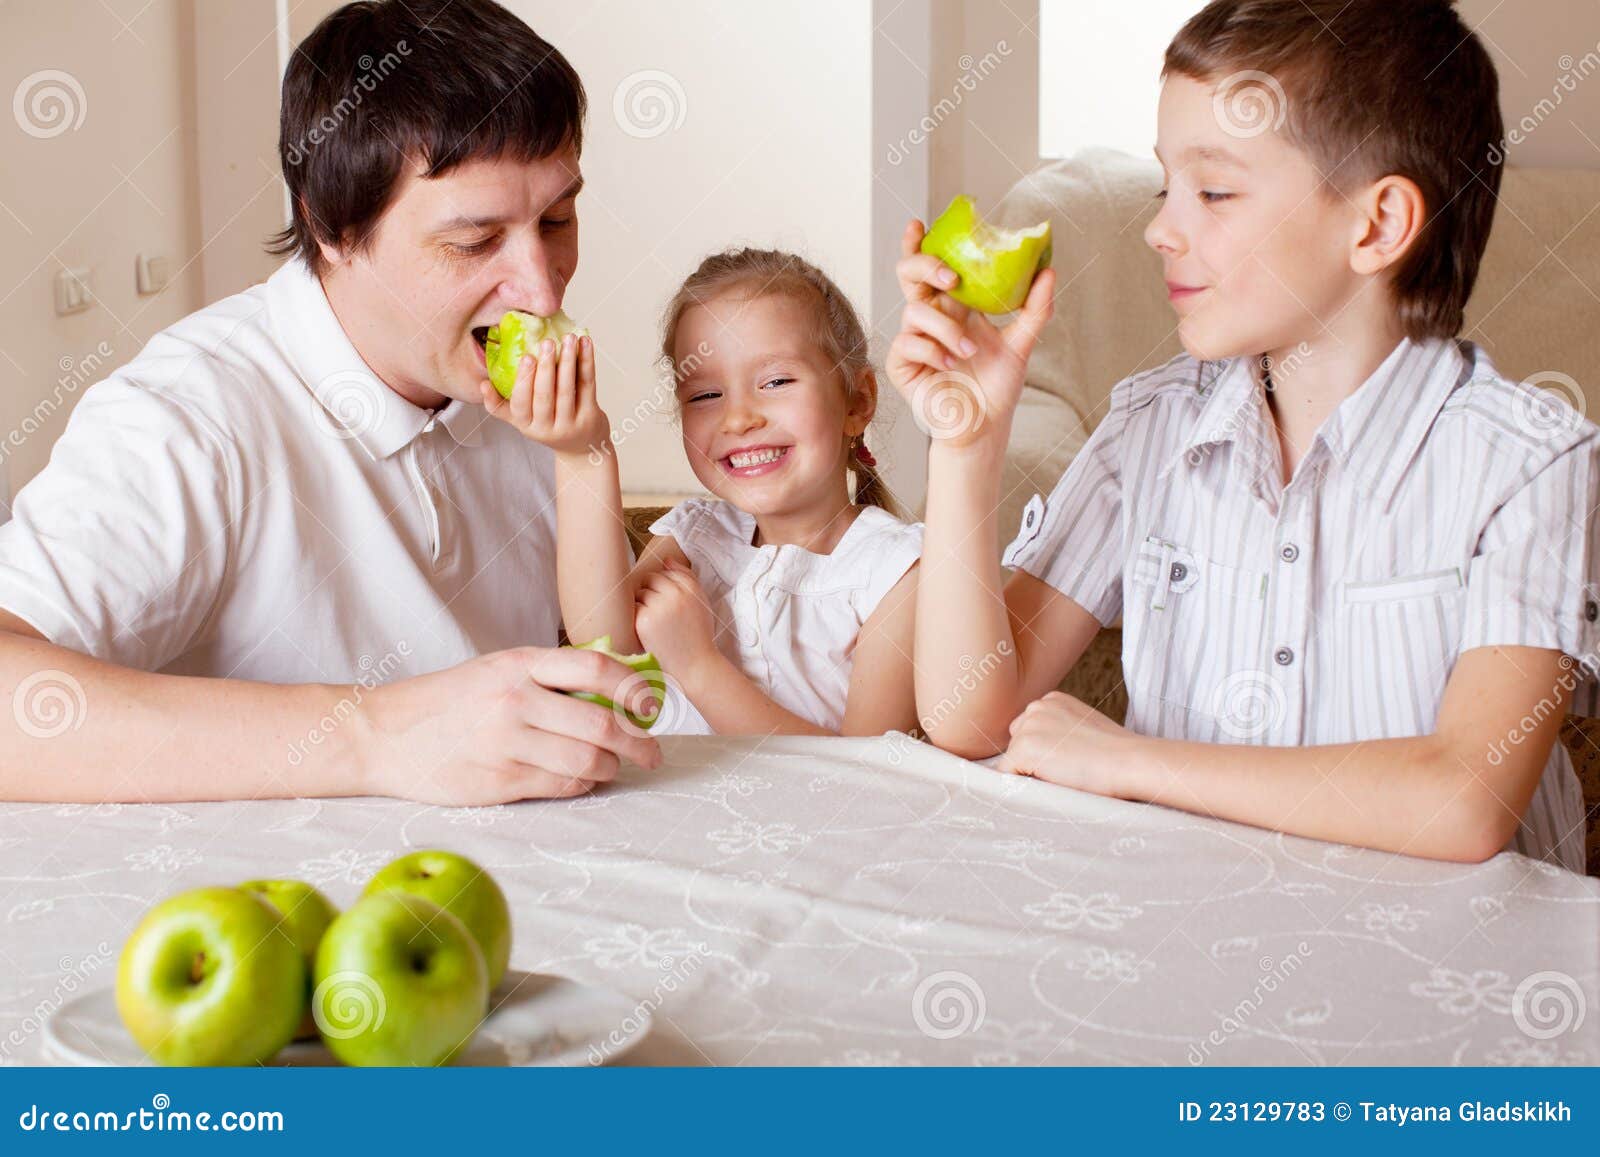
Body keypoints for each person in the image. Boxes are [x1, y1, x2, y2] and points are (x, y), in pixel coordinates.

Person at [889, 0, 1597, 870]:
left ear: (1376, 226)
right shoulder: (1148, 430)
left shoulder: (1529, 464)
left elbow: (1464, 799)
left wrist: (1131, 763)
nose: (1160, 228)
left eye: (1214, 191)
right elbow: (967, 716)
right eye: (1165, 187)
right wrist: (966, 443)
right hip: (1198, 944)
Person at [0, 0, 661, 804]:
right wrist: (374, 736)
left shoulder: (515, 389)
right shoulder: (187, 417)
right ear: (333, 229)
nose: (541, 285)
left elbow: (594, 654)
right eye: (475, 242)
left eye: (557, 218)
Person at [484, 248, 921, 736]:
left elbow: (869, 774)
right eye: (706, 395)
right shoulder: (697, 536)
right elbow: (601, 640)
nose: (739, 418)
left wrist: (698, 666)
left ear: (857, 401)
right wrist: (586, 453)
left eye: (776, 381)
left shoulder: (897, 572)